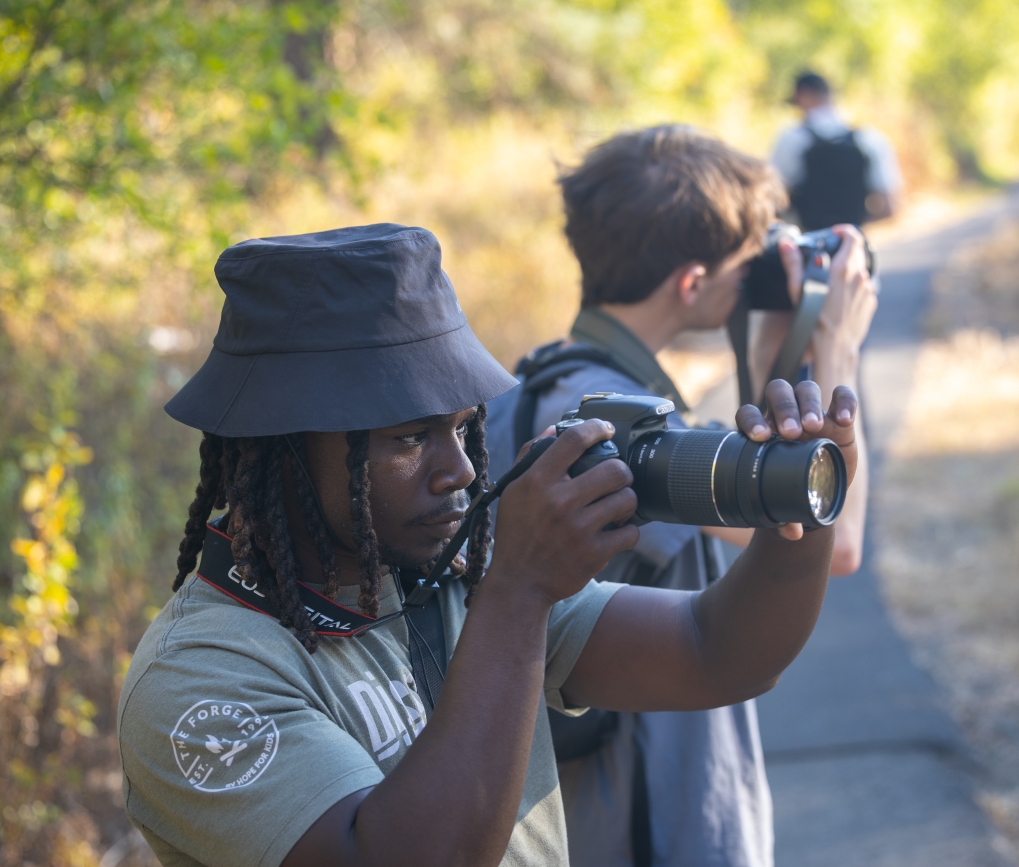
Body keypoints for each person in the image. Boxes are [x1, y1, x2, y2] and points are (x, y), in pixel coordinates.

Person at [115, 223, 863, 867]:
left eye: (462, 425)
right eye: (411, 437)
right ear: (282, 447)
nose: (462, 469)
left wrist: (803, 513)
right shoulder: (201, 679)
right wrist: (520, 590)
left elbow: (715, 650)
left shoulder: (442, 579)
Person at [484, 126, 876, 867]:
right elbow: (837, 539)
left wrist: (767, 355)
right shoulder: (626, 433)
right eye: (744, 265)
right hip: (646, 805)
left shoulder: (537, 384)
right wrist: (839, 347)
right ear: (692, 284)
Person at [771, 71, 904, 229]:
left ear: (803, 95)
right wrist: (853, 226)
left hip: (808, 242)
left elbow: (772, 197)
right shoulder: (870, 138)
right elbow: (890, 207)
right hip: (855, 243)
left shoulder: (790, 139)